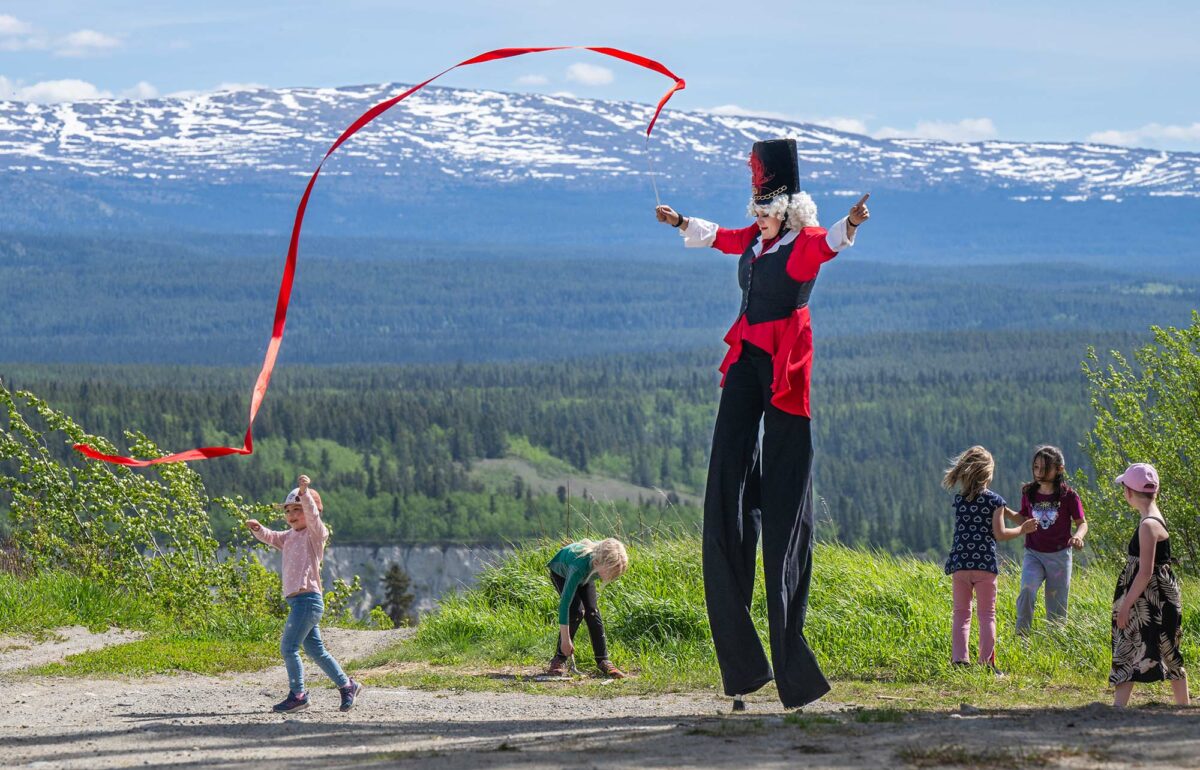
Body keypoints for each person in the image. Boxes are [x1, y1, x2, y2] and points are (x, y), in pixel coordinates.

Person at [654, 138, 870, 709]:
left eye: (769, 214)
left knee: (782, 499)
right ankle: (744, 666)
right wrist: (679, 219)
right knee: (725, 481)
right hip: (748, 358)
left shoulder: (801, 247)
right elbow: (723, 239)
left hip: (786, 370)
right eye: (758, 214)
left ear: (789, 212)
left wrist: (850, 222)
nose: (761, 223)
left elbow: (829, 247)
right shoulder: (753, 241)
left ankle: (792, 668)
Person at [245, 475, 363, 713]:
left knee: (289, 647)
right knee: (315, 650)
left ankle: (298, 695)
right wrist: (258, 529)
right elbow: (271, 536)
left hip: (308, 600)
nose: (291, 515)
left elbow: (314, 517)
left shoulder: (315, 534)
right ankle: (347, 684)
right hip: (298, 602)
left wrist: (304, 492)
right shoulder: (288, 537)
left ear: (310, 511)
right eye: (288, 511)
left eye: (297, 510)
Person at [942, 446, 1036, 671]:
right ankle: (986, 663)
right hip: (984, 565)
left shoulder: (960, 500)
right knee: (986, 615)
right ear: (988, 474)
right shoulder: (995, 501)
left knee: (961, 614)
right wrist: (1022, 529)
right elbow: (1000, 534)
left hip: (960, 564)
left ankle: (959, 661)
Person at [1110, 462, 1188, 707]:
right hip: (1159, 598)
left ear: (1129, 493)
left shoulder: (1147, 526)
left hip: (1146, 599)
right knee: (1168, 649)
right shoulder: (1155, 517)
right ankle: (1183, 706)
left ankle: (1118, 708)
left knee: (1128, 646)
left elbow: (1144, 572)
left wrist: (1126, 606)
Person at [1014, 445, 1088, 633]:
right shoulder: (1028, 492)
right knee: (1027, 590)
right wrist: (1004, 511)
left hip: (1060, 557)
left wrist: (1078, 536)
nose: (1039, 472)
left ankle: (1055, 644)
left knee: (1057, 606)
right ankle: (1022, 637)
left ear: (1059, 469)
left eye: (1045, 468)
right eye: (1036, 467)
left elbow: (1082, 523)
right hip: (1033, 553)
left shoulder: (1069, 496)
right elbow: (1024, 519)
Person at [546, 538, 629, 678]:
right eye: (611, 573)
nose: (612, 577)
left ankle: (603, 661)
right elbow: (564, 605)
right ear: (597, 562)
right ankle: (559, 659)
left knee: (592, 612)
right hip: (562, 573)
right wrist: (566, 641)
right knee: (576, 612)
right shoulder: (579, 566)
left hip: (586, 575)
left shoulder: (599, 563)